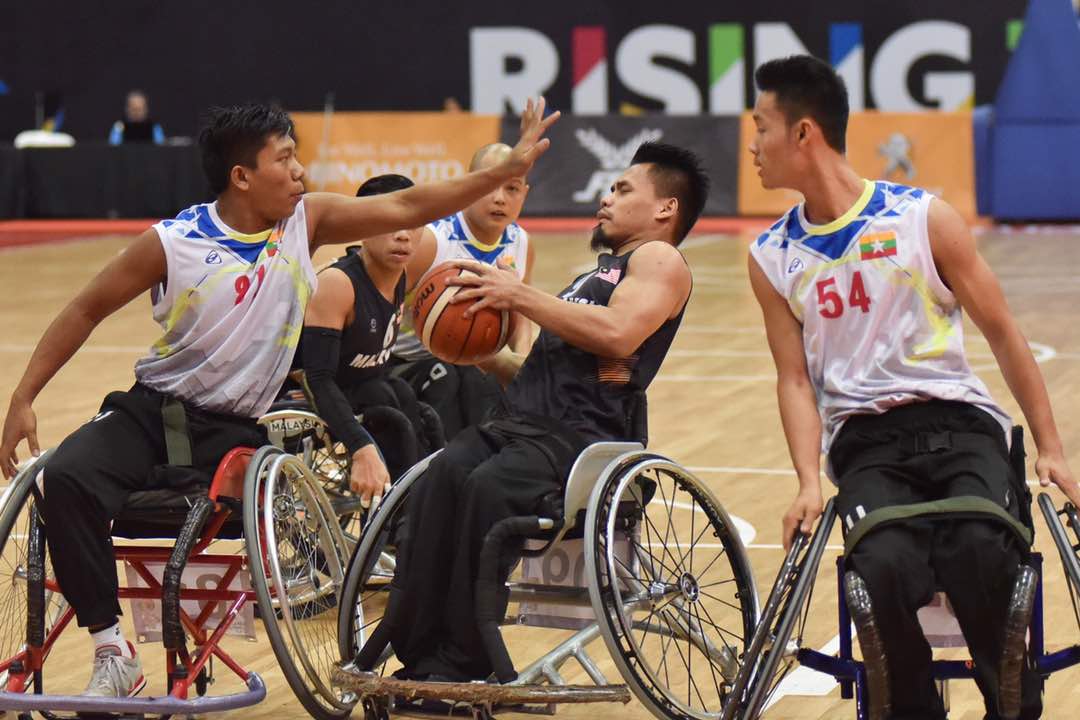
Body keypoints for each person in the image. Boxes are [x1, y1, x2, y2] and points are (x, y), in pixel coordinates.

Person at [0, 98, 558, 698]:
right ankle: (112, 649)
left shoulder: (306, 223)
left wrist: (498, 175)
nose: (300, 172)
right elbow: (86, 308)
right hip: (152, 409)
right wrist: (24, 397)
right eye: (285, 159)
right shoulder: (174, 241)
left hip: (236, 429)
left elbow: (406, 204)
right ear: (242, 176)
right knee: (64, 476)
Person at [746, 55, 1080, 720]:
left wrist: (1051, 448)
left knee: (983, 548)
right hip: (867, 446)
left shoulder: (922, 218)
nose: (752, 145)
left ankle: (1013, 706)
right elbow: (793, 379)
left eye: (762, 126)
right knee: (882, 571)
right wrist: (808, 481)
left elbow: (1005, 334)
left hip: (961, 424)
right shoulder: (772, 256)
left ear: (804, 133)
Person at [365, 141, 706, 684]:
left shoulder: (658, 259)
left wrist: (520, 295)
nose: (606, 198)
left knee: (486, 490)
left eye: (622, 189)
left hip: (580, 441)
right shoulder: (592, 277)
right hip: (519, 425)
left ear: (665, 208)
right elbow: (532, 373)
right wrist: (474, 348)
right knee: (439, 479)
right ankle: (414, 647)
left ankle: (465, 664)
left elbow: (619, 336)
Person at [298, 173, 434, 508]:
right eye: (390, 222)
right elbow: (316, 379)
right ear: (363, 224)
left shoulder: (405, 268)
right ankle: (399, 524)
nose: (403, 235)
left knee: (427, 413)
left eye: (411, 223)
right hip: (315, 391)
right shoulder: (338, 284)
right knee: (394, 418)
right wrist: (360, 446)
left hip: (368, 387)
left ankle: (429, 509)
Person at [393, 142, 535, 440]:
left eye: (511, 189)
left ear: (525, 193)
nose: (499, 198)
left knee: (522, 385)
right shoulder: (433, 240)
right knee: (461, 376)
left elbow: (522, 313)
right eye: (489, 185)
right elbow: (377, 304)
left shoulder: (521, 242)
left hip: (475, 359)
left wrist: (521, 368)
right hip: (406, 361)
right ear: (468, 185)